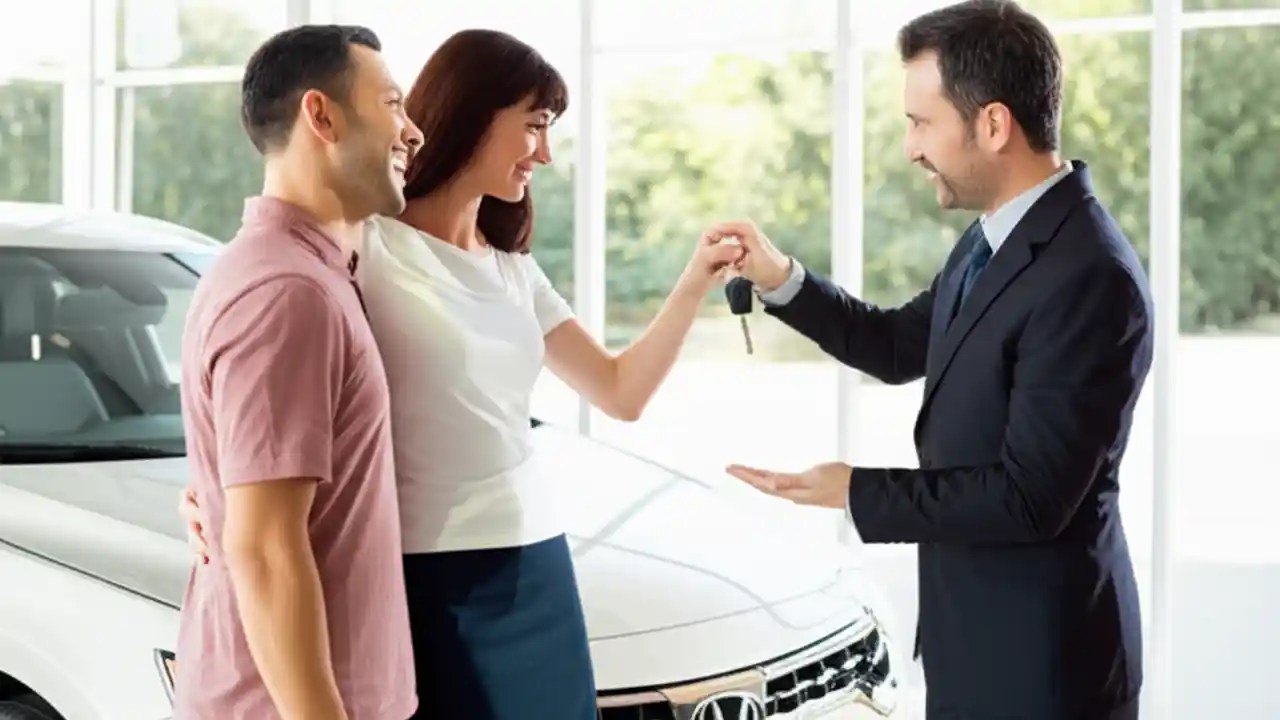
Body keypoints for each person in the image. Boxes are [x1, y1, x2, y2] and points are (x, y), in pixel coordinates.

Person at [182, 28, 743, 720]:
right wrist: (209, 492)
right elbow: (263, 381)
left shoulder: (512, 269)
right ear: (475, 113)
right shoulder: (366, 242)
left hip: (536, 563)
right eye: (533, 126)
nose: (544, 151)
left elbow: (620, 391)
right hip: (428, 570)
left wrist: (694, 281)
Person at [715, 2, 1150, 719]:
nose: (910, 147)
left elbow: (1030, 497)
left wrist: (854, 490)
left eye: (921, 122)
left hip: (1045, 668)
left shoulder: (1088, 274)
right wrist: (780, 277)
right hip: (975, 645)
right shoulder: (995, 239)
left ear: (992, 124)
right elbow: (894, 345)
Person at [174, 25, 423, 720]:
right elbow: (263, 547)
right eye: (395, 105)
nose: (414, 133)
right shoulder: (289, 294)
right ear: (322, 115)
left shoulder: (307, 275)